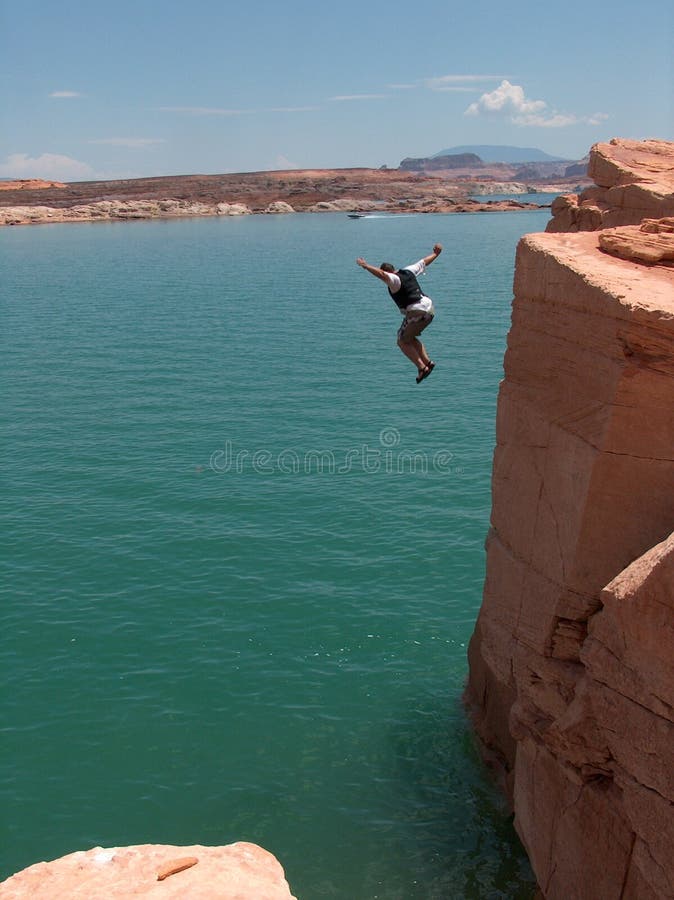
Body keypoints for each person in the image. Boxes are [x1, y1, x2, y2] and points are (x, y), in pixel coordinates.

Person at [356, 244, 442, 383]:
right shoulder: (408, 271)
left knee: (401, 341)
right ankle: (428, 362)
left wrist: (365, 266)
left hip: (417, 311)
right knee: (410, 337)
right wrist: (436, 254)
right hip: (430, 309)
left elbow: (383, 275)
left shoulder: (394, 280)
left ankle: (421, 367)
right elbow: (424, 262)